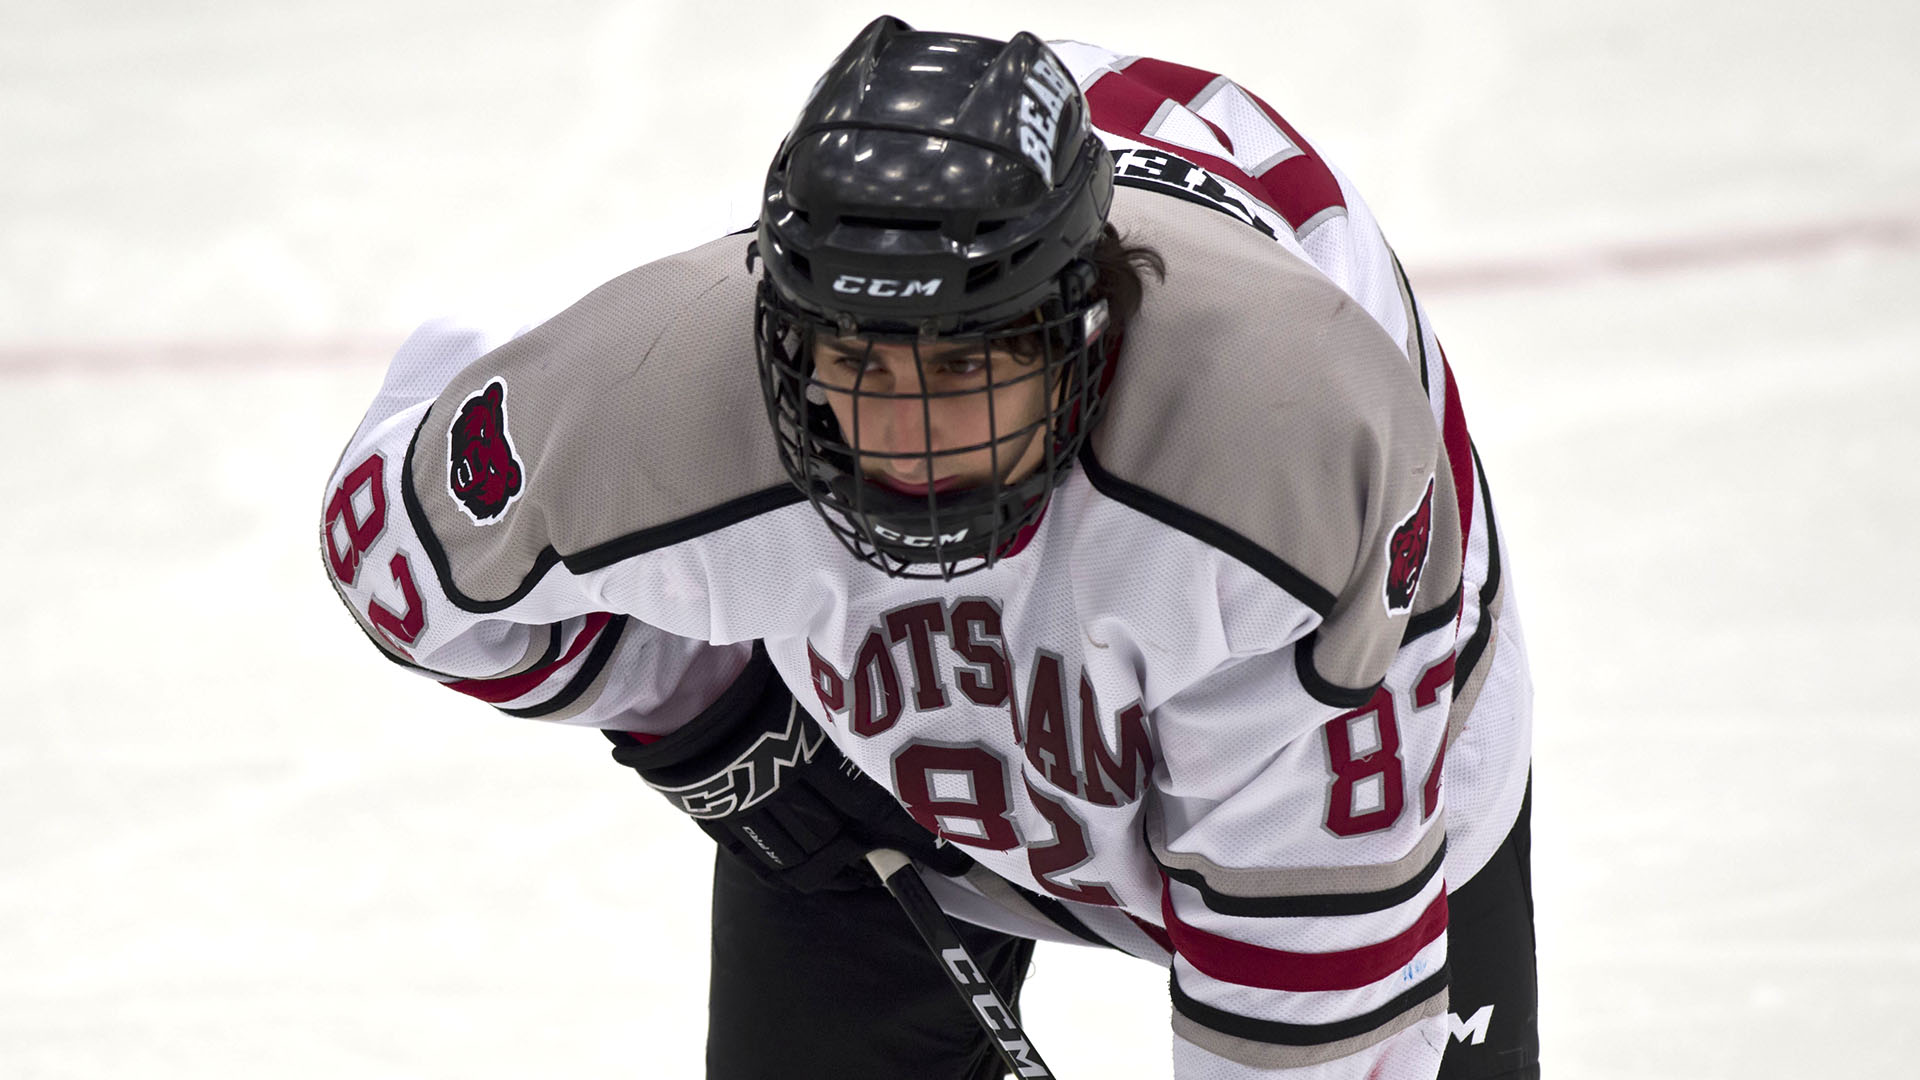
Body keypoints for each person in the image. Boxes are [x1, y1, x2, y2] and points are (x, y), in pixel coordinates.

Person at [319, 16, 1537, 1080]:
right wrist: (717, 719)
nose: (911, 435)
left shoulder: (1280, 473)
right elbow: (400, 558)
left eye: (964, 366)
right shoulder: (663, 400)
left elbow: (1305, 996)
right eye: (857, 364)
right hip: (873, 756)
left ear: (1080, 324)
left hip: (1319, 691)